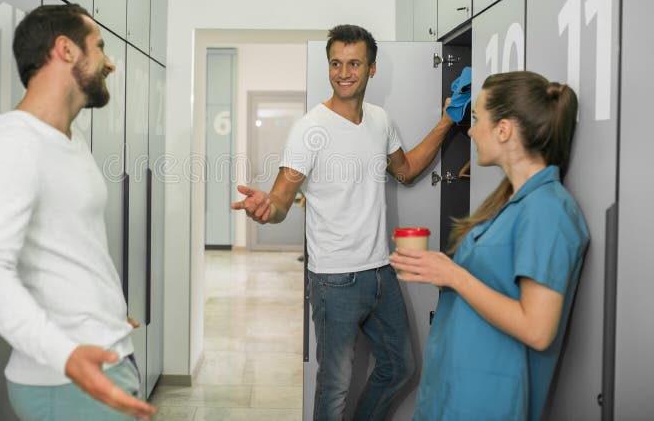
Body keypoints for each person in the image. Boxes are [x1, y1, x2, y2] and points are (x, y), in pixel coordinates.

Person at [232, 24, 454, 420]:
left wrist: (447, 121)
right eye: (336, 63)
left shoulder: (380, 121)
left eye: (354, 63)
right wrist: (267, 208)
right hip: (335, 279)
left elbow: (405, 171)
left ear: (371, 69)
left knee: (400, 366)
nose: (344, 72)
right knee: (334, 387)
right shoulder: (310, 129)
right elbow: (283, 199)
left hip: (380, 272)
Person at [0, 4, 157, 420]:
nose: (111, 64)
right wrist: (66, 355)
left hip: (108, 356)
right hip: (65, 383)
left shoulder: (73, 139)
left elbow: (70, 245)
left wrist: (106, 309)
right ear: (65, 50)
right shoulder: (9, 142)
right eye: (100, 48)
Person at [390, 71, 589, 421]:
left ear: (504, 130)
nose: (469, 129)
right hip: (457, 390)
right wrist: (438, 272)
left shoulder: (547, 210)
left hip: (487, 400)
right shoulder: (510, 201)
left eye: (477, 119)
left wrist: (453, 276)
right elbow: (494, 282)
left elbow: (537, 329)